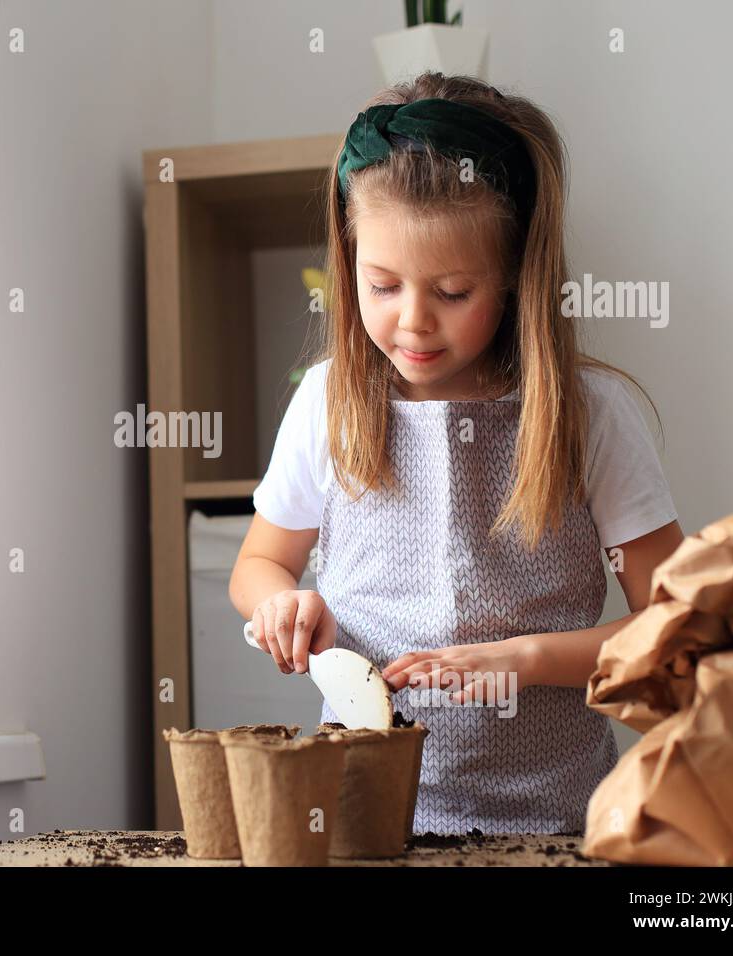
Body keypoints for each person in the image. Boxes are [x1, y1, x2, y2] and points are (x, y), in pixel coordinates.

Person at [229, 72, 684, 834]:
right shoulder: (326, 400)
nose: (413, 322)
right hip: (365, 820)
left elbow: (675, 623)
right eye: (382, 285)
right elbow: (257, 565)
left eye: (452, 292)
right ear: (349, 264)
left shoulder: (588, 415)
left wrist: (525, 660)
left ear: (512, 278)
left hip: (559, 819)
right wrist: (280, 601)